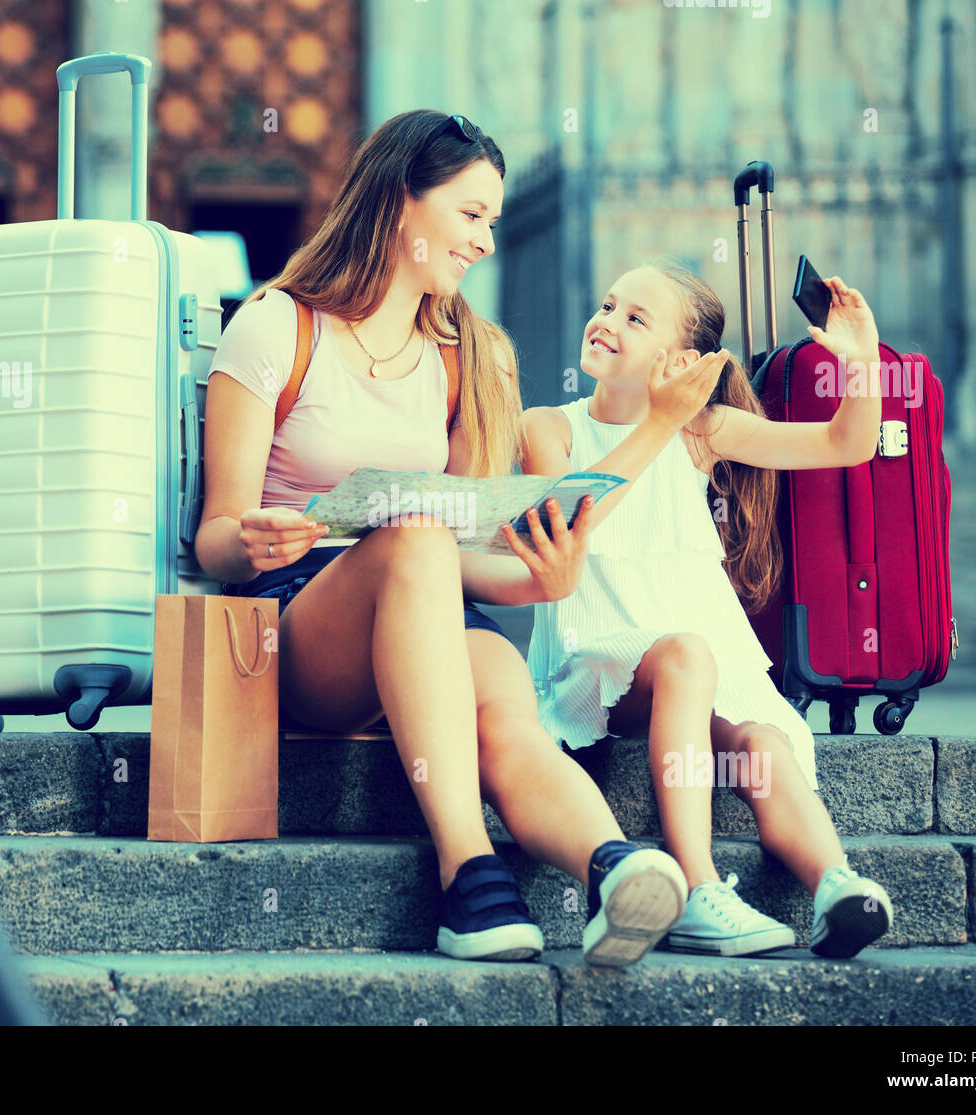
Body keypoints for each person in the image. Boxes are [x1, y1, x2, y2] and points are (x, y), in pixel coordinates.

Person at [195, 112, 711, 967]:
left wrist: (539, 581)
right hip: (295, 627)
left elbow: (468, 552)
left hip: (428, 612)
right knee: (418, 537)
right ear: (403, 202)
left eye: (493, 223)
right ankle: (466, 870)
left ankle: (613, 867)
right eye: (470, 215)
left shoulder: (462, 355)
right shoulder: (275, 326)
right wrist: (256, 538)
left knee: (503, 691)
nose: (484, 242)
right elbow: (215, 534)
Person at [522, 258, 895, 959]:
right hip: (600, 661)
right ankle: (695, 890)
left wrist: (862, 359)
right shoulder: (550, 427)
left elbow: (847, 444)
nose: (606, 321)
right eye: (608, 305)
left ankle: (835, 884)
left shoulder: (704, 429)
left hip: (700, 663)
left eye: (635, 318)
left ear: (683, 360)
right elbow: (575, 517)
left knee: (762, 743)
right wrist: (661, 420)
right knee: (688, 654)